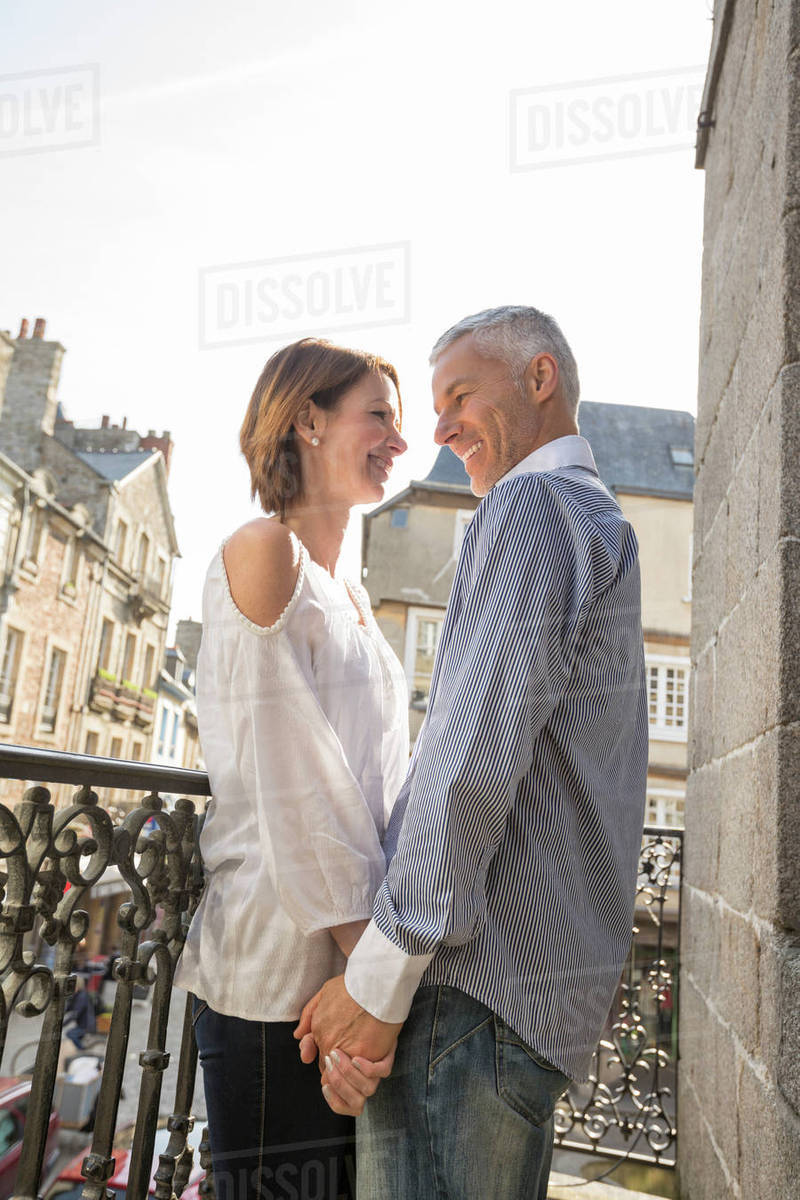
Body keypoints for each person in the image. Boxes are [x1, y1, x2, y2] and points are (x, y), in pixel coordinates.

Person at [296, 306, 649, 1200]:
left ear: (540, 380)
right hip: (524, 1005)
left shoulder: (533, 504)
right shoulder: (600, 521)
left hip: (468, 996)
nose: (440, 425)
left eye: (460, 394)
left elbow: (471, 757)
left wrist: (378, 982)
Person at [174, 337, 410, 1200]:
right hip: (280, 990)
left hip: (347, 986)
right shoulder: (261, 549)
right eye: (378, 415)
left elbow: (385, 791)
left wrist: (374, 986)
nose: (399, 439)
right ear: (308, 419)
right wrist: (370, 983)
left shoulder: (352, 598)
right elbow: (298, 782)